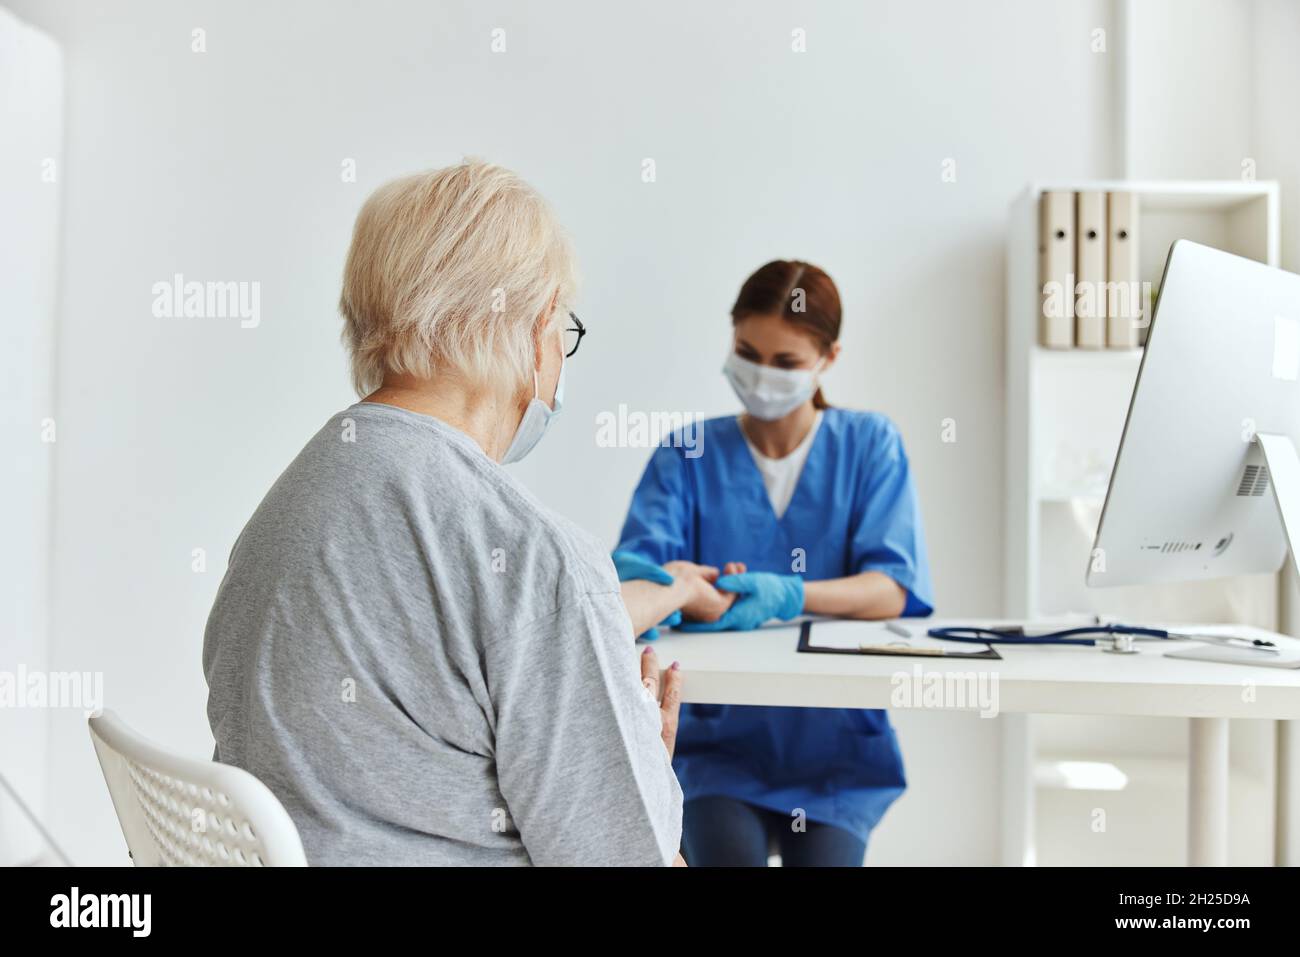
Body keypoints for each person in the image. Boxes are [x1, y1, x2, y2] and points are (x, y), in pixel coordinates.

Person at [203, 161, 710, 866]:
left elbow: (431, 645)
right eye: (564, 330)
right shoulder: (533, 554)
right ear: (534, 332)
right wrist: (642, 784)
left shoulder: (286, 509)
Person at [615, 260, 933, 866]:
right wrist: (684, 588)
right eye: (747, 352)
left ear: (828, 358)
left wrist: (788, 594)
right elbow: (637, 574)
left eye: (785, 363)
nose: (763, 375)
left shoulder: (869, 445)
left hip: (834, 748)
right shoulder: (687, 451)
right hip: (716, 744)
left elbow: (891, 587)